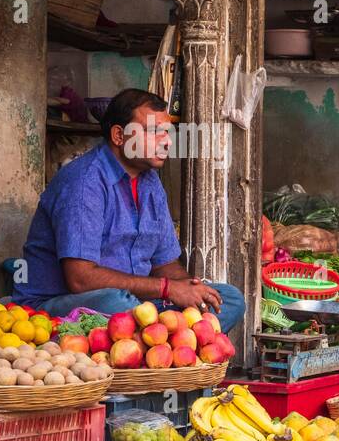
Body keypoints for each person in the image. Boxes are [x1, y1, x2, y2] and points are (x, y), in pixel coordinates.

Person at [15, 89, 245, 331]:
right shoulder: (84, 183)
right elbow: (80, 279)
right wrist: (166, 288)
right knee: (118, 303)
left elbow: (164, 263)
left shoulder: (150, 182)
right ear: (119, 136)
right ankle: (157, 340)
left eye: (167, 132)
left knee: (227, 298)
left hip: (138, 303)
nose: (166, 141)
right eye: (154, 132)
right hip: (60, 305)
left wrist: (190, 287)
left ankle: (158, 343)